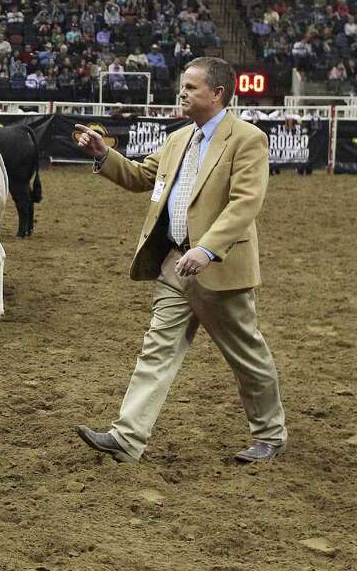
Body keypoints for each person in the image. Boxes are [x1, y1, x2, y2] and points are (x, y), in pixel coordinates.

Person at [73, 57, 286, 464]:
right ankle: (127, 437)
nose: (182, 93)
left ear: (218, 93)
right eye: (182, 86)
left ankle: (270, 435)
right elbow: (140, 177)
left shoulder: (247, 139)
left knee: (246, 356)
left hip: (219, 268)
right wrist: (104, 155)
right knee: (157, 351)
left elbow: (246, 203)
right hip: (174, 265)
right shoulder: (177, 139)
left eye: (190, 87)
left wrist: (206, 249)